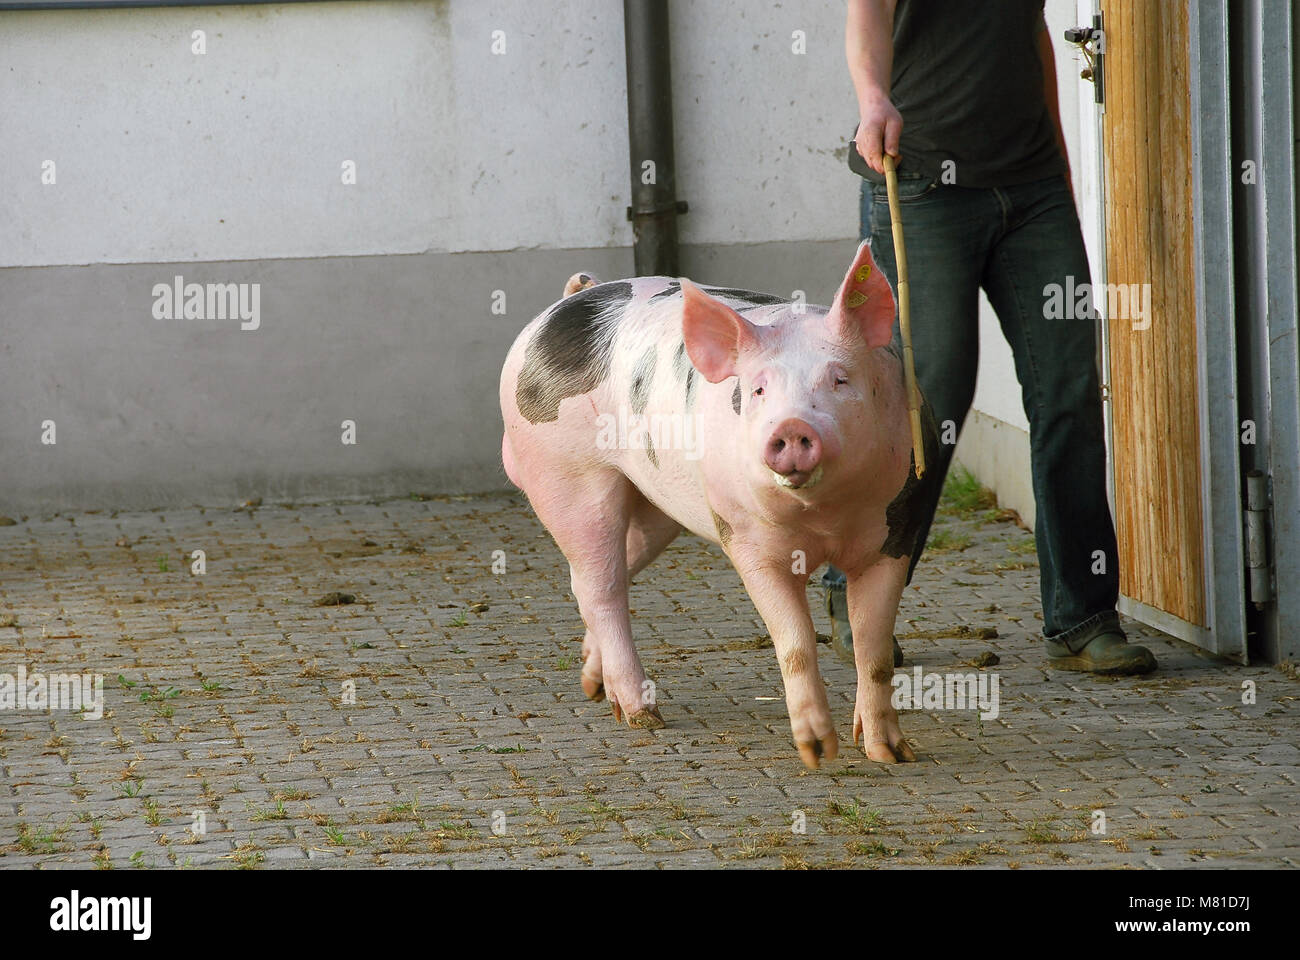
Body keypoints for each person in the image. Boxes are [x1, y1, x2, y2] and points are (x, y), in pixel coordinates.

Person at [824, 0, 1156, 675]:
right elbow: (867, 18)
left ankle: (1083, 617)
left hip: (1032, 187)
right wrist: (872, 99)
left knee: (1067, 388)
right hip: (919, 183)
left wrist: (1059, 158)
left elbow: (1031, 34)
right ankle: (856, 591)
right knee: (930, 398)